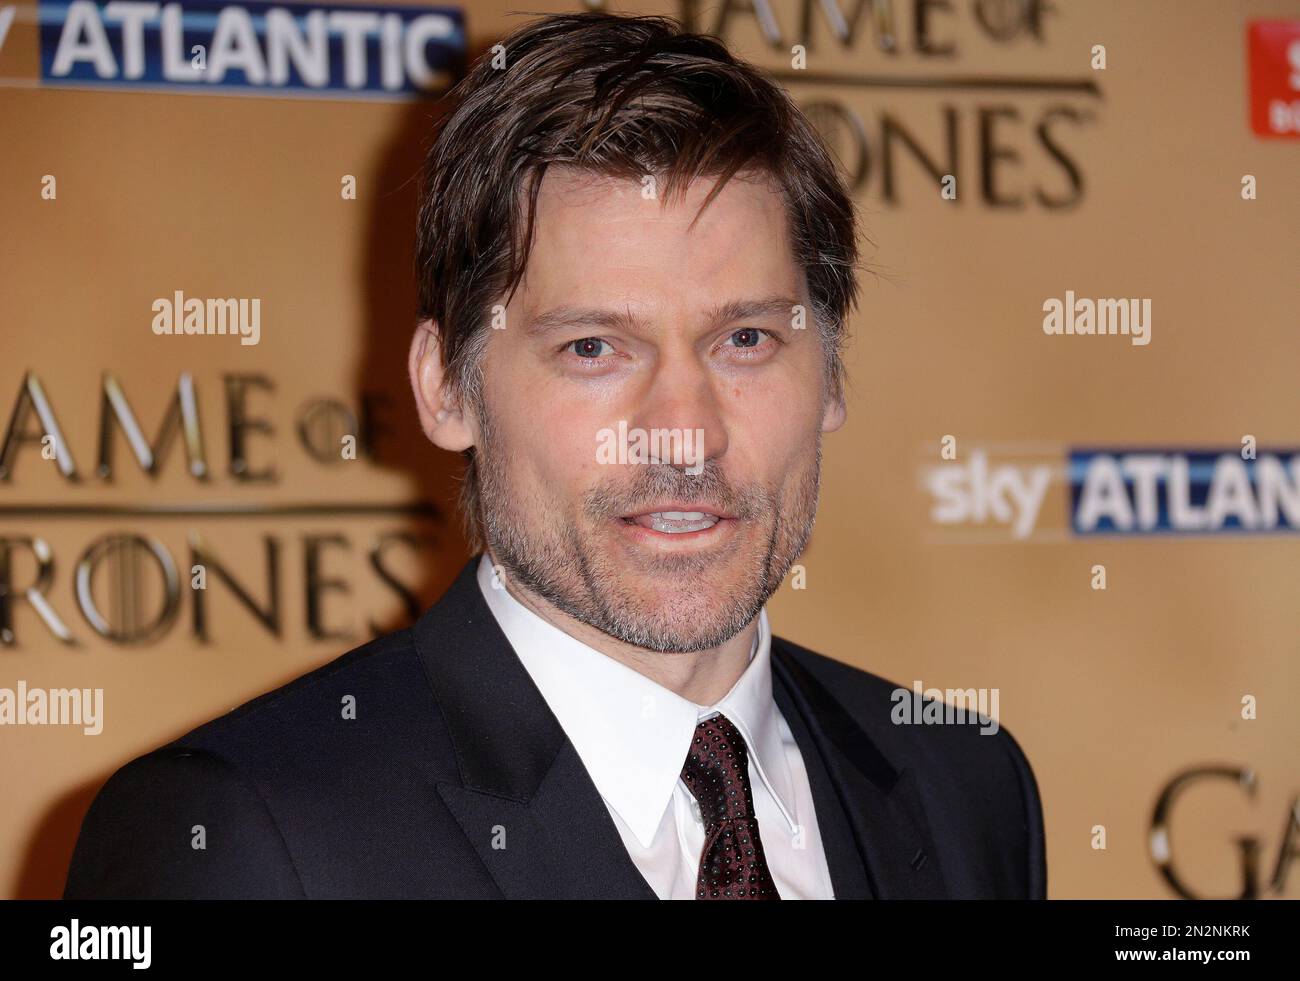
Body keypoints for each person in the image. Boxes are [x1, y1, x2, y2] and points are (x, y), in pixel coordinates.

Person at [65, 11, 1045, 900]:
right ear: (446, 386)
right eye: (593, 348)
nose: (684, 430)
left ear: (829, 373)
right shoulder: (242, 833)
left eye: (744, 338)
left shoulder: (965, 785)